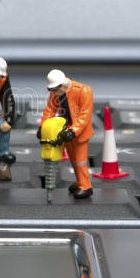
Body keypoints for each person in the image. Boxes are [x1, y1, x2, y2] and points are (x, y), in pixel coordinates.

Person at [39, 69, 94, 199]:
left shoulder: (83, 91)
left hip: (79, 134)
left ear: (63, 84)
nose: (54, 93)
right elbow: (50, 110)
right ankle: (80, 182)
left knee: (80, 161)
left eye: (56, 89)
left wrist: (73, 131)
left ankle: (86, 186)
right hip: (65, 132)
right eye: (52, 90)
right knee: (73, 160)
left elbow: (85, 116)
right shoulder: (56, 93)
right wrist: (43, 127)